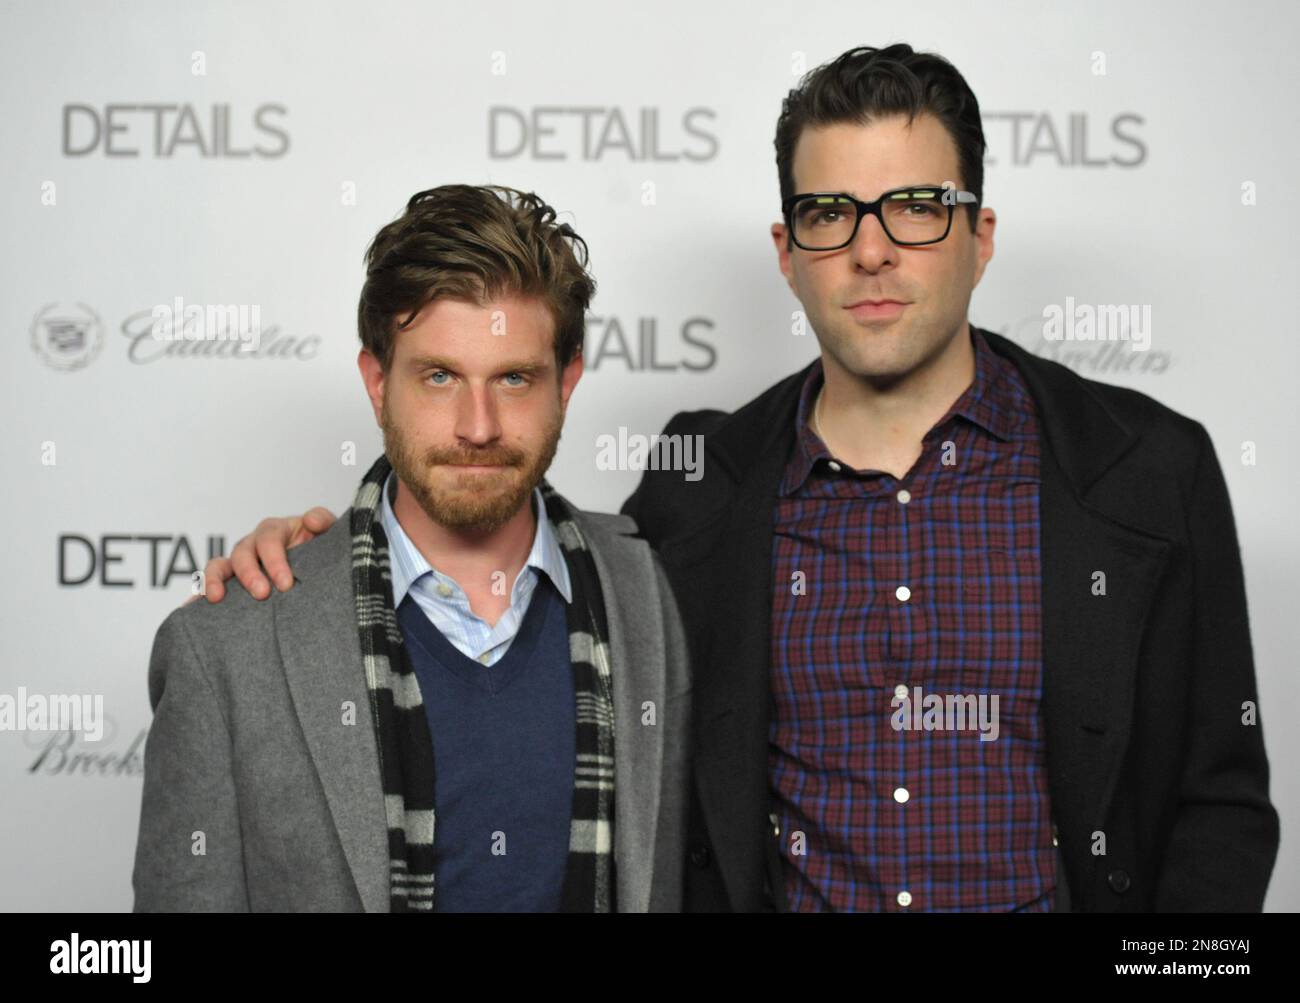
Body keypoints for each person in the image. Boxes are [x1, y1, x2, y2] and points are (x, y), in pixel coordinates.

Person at [202, 45, 1279, 912]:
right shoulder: (698, 488)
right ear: (786, 246)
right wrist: (323, 556)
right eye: (829, 214)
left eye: (913, 205)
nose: (871, 251)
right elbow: (497, 539)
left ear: (977, 233)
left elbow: (1219, 802)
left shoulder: (1145, 469)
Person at [133, 184, 691, 912]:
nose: (479, 426)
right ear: (376, 383)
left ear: (568, 383)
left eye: (515, 378)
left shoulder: (644, 596)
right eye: (439, 376)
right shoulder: (227, 647)